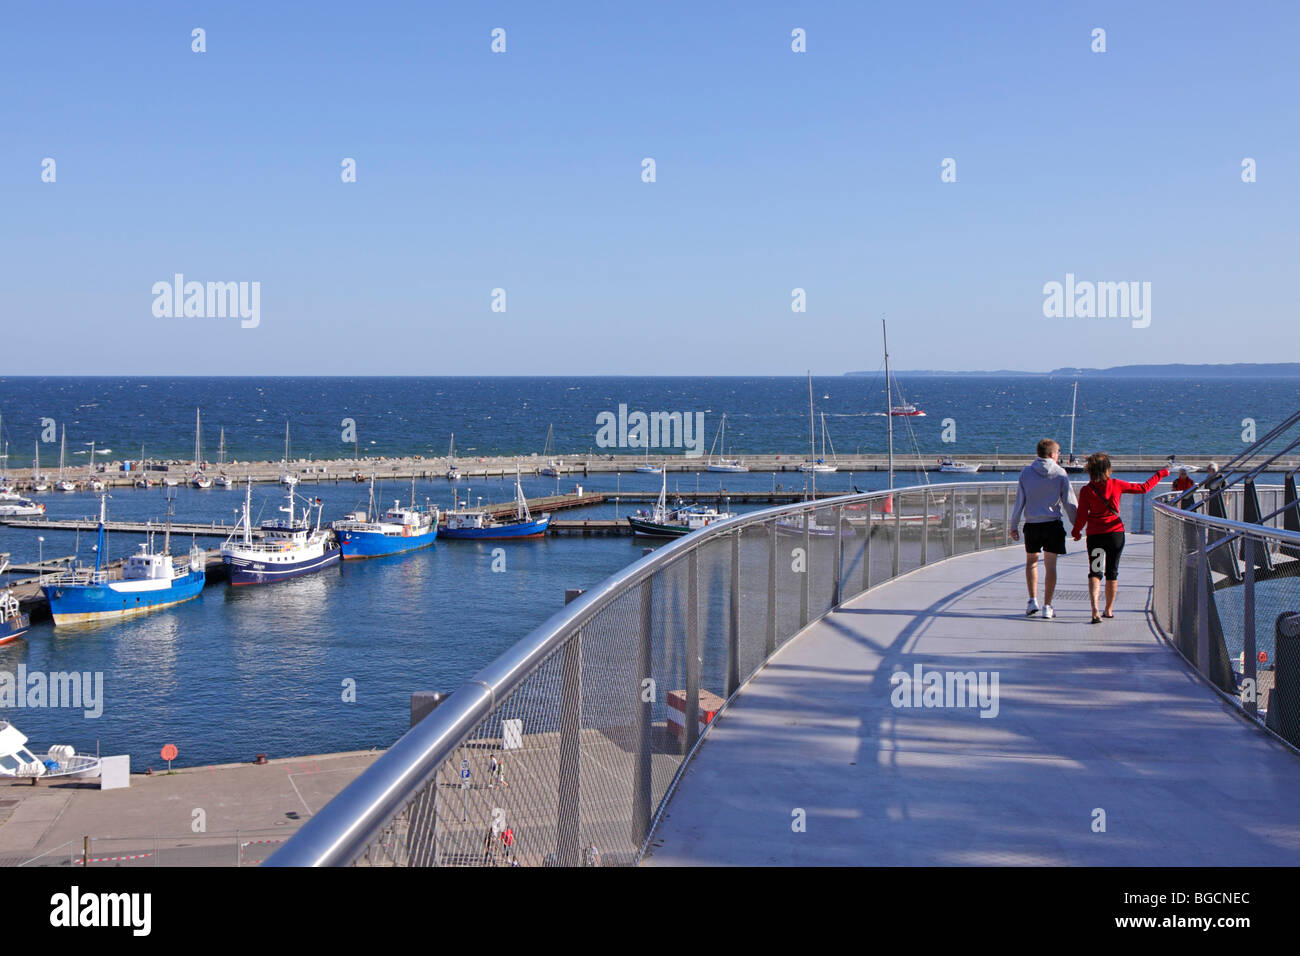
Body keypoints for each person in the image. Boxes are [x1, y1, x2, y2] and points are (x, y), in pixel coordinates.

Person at [1072, 453, 1168, 623]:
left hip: (1095, 536)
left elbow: (1081, 516)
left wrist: (1076, 532)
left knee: (1095, 571)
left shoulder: (1087, 490)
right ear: (1107, 469)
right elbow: (1143, 488)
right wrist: (1161, 474)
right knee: (1112, 571)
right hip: (1115, 534)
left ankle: (1095, 609)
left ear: (1090, 470)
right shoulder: (1116, 484)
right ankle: (1108, 610)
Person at [1009, 439, 1078, 619]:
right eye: (1058, 453)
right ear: (1051, 454)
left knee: (1031, 562)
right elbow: (1069, 502)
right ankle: (1048, 606)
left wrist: (1013, 525)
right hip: (1052, 524)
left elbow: (1019, 502)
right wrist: (1077, 525)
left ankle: (1032, 600)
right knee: (1050, 566)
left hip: (1032, 525)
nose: (1059, 456)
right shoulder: (1060, 473)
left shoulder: (1026, 473)